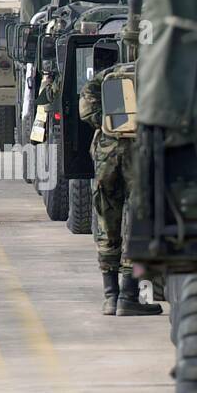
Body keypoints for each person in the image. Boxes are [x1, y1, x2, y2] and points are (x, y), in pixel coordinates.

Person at [79, 55, 160, 316]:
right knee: (138, 222)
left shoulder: (113, 73)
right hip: (142, 153)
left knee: (106, 223)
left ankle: (110, 297)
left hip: (107, 152)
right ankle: (129, 295)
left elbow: (86, 104)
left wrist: (105, 123)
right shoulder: (160, 74)